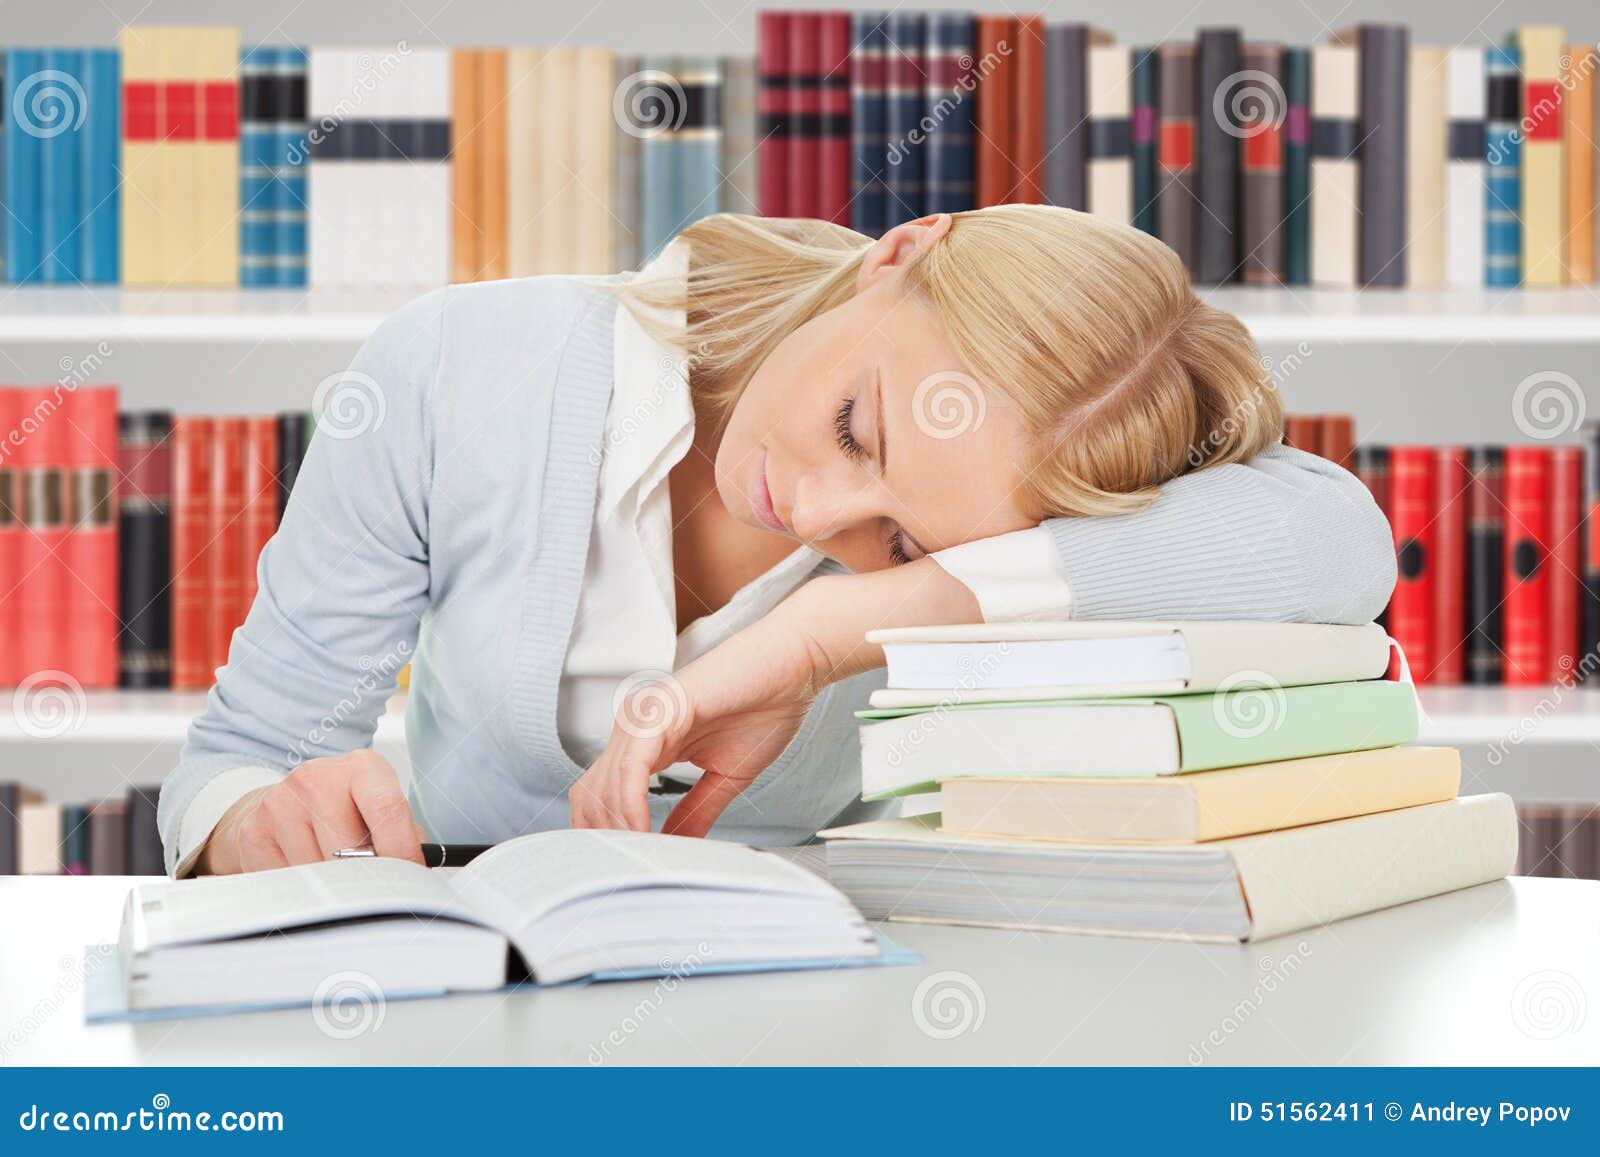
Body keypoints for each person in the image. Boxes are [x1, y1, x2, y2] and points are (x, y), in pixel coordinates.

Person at [160, 207, 1394, 876]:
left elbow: (1340, 543)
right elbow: (250, 748)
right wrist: (246, 824)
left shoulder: (1023, 498)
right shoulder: (467, 364)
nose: (815, 518)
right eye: (856, 425)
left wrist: (826, 633)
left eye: (899, 535)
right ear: (901, 254)